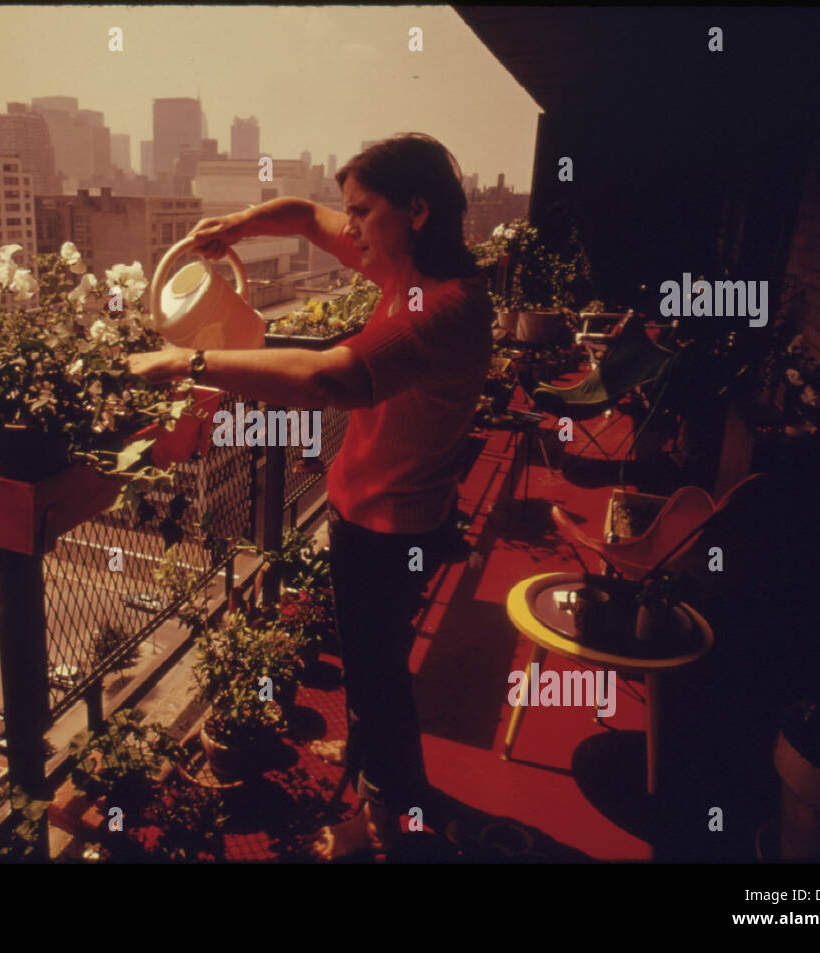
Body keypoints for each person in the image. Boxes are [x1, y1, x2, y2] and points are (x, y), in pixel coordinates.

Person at [128, 133, 493, 859]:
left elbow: (329, 378)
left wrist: (188, 361)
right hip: (380, 516)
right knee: (373, 664)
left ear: (415, 210)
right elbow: (299, 215)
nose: (347, 226)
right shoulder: (406, 266)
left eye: (361, 211)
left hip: (393, 530)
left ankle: (388, 824)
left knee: (380, 678)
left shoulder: (440, 311)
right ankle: (369, 759)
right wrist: (234, 229)